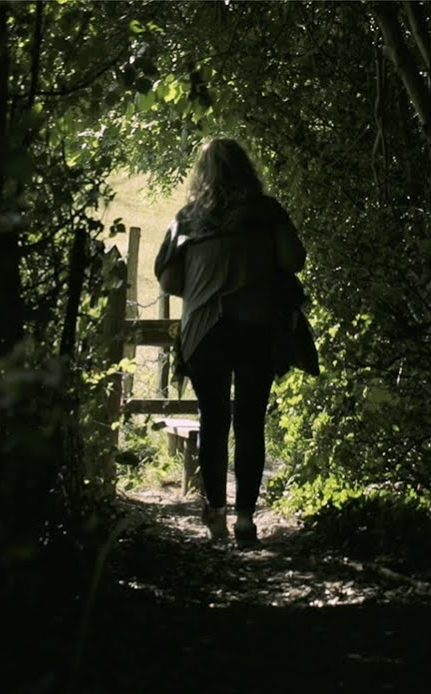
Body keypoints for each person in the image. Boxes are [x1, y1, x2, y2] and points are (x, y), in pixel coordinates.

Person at [154, 138, 319, 546]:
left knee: (213, 421)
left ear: (202, 173)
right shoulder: (267, 211)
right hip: (255, 325)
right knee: (249, 422)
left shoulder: (186, 220)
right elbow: (294, 261)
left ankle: (215, 516)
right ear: (247, 169)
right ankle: (245, 518)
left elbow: (168, 279)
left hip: (204, 330)